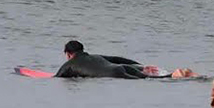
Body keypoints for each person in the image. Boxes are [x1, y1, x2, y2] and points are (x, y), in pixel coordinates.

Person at [55, 40, 194, 79]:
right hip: (120, 68)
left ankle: (175, 75)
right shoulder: (95, 56)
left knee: (148, 81)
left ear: (68, 54)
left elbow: (57, 77)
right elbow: (117, 59)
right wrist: (140, 66)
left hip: (114, 74)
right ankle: (175, 74)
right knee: (148, 78)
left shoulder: (69, 64)